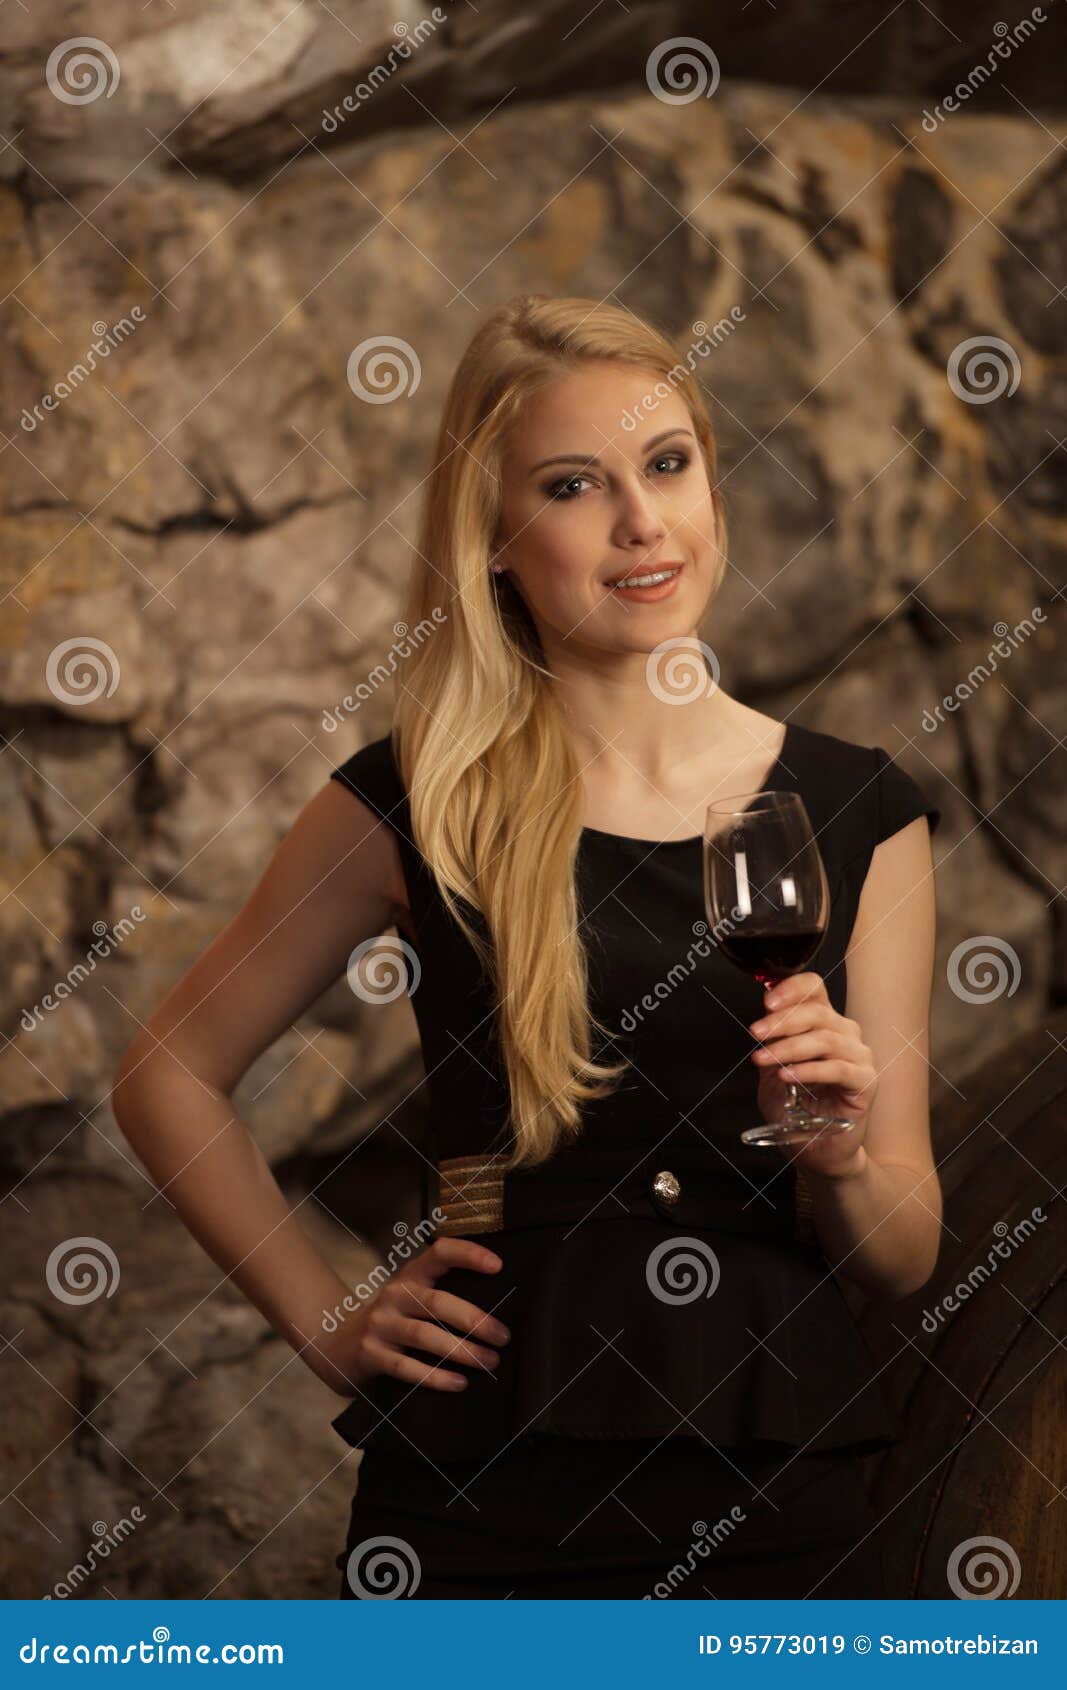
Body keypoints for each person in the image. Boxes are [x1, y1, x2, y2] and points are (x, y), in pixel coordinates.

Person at [113, 294, 942, 1601]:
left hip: (779, 1484)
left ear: (711, 484)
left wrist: (837, 1154)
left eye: (668, 464)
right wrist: (332, 1318)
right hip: (486, 1490)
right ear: (496, 537)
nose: (641, 522)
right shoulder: (413, 798)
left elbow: (903, 1251)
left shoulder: (863, 809)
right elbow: (164, 1071)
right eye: (574, 485)